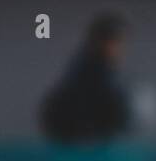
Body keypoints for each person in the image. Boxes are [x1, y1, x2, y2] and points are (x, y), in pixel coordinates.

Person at [40, 13, 132, 145]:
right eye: (116, 42)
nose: (120, 49)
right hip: (83, 145)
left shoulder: (101, 73)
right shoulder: (90, 75)